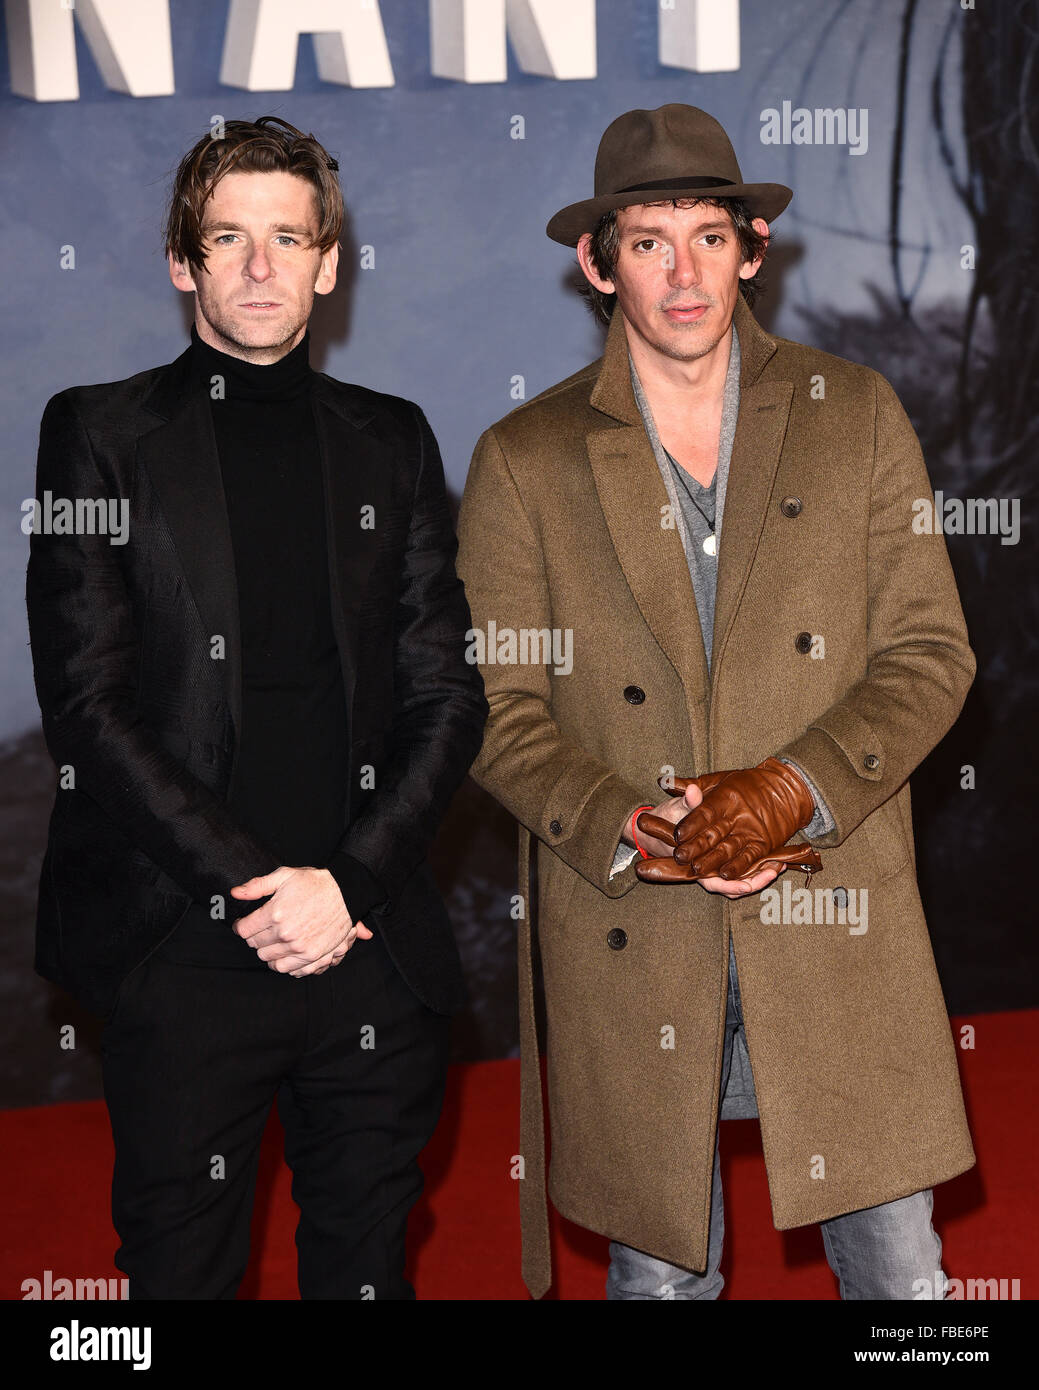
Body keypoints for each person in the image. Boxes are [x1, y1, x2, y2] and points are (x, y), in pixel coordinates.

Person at [456, 104, 976, 1300]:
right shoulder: (522, 459)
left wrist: (787, 789)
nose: (681, 273)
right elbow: (499, 707)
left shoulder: (858, 414)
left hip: (832, 907)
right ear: (597, 265)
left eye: (705, 235)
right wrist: (633, 826)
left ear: (752, 249)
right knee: (659, 1282)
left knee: (903, 1284)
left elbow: (928, 654)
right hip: (639, 931)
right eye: (646, 242)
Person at [25, 116, 487, 1300]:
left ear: (331, 262)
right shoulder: (98, 434)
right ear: (182, 260)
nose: (261, 265)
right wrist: (255, 888)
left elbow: (446, 691)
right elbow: (87, 704)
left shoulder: (391, 439)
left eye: (289, 237)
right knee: (181, 1278)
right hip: (181, 946)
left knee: (366, 1270)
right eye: (228, 237)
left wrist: (347, 887)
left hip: (367, 945)